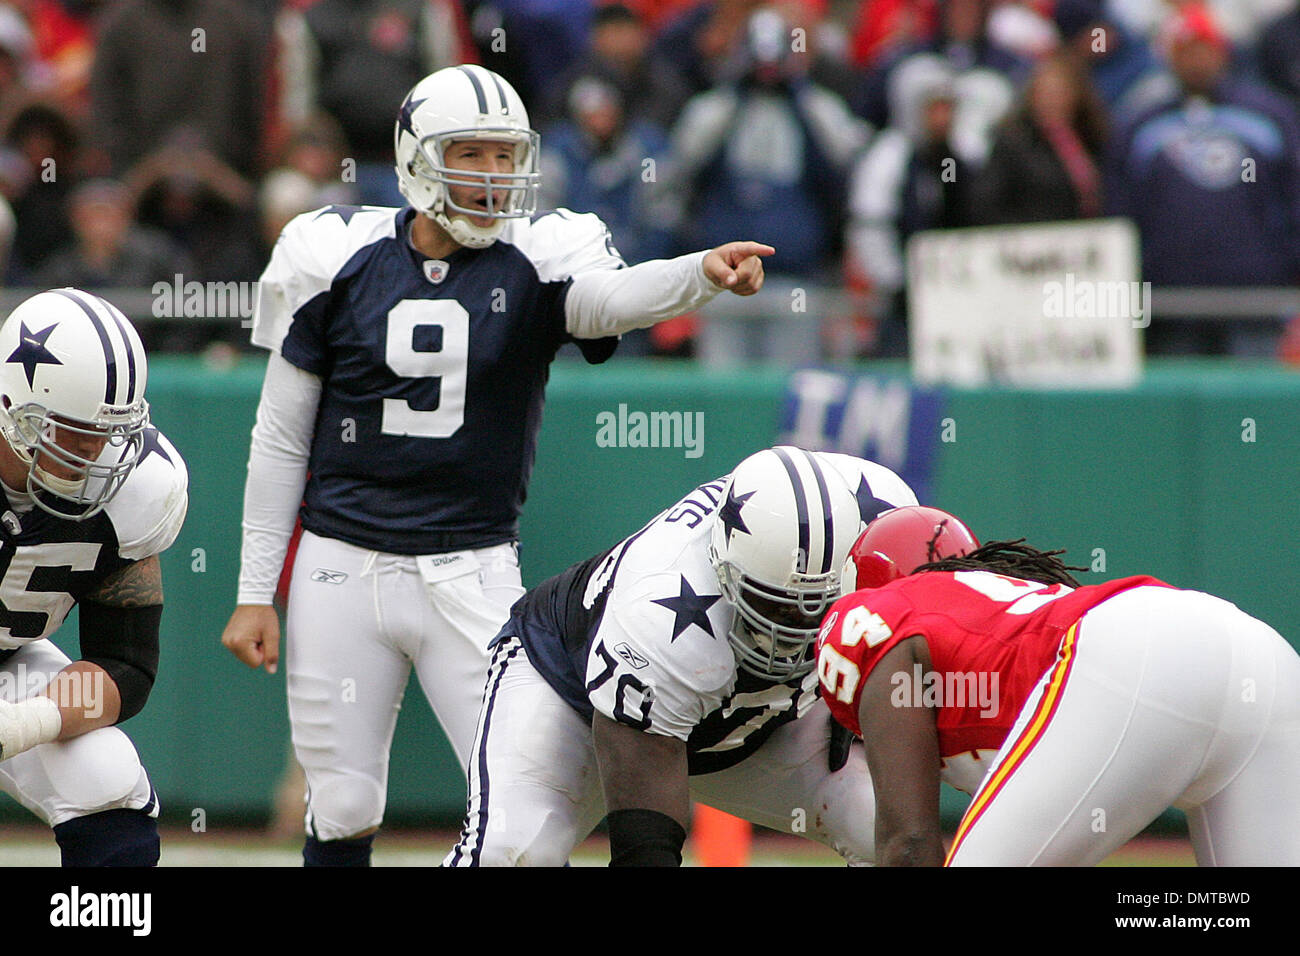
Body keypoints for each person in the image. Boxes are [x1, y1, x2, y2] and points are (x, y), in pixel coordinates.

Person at [219, 63, 774, 867]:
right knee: (340, 802)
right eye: (471, 154)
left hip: (472, 568)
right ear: (417, 157)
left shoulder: (542, 256)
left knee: (524, 800)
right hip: (340, 564)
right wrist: (251, 591)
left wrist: (697, 274)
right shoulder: (332, 253)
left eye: (505, 156)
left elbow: (612, 301)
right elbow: (279, 437)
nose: (492, 176)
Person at [445, 445, 919, 866]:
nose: (793, 629)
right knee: (510, 852)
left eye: (816, 607)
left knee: (895, 834)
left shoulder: (889, 520)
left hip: (762, 721)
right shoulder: (663, 612)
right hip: (572, 692)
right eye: (773, 604)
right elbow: (644, 847)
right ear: (725, 567)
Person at [816, 506, 1300, 866]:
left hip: (1137, 654)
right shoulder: (1000, 613)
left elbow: (910, 843)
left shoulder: (876, 618)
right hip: (1262, 657)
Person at [0, 288, 189, 866]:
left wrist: (30, 721)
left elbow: (125, 665)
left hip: (7, 663)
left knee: (104, 777)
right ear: (13, 410)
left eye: (110, 434)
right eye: (76, 434)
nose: (100, 455)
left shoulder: (141, 491)